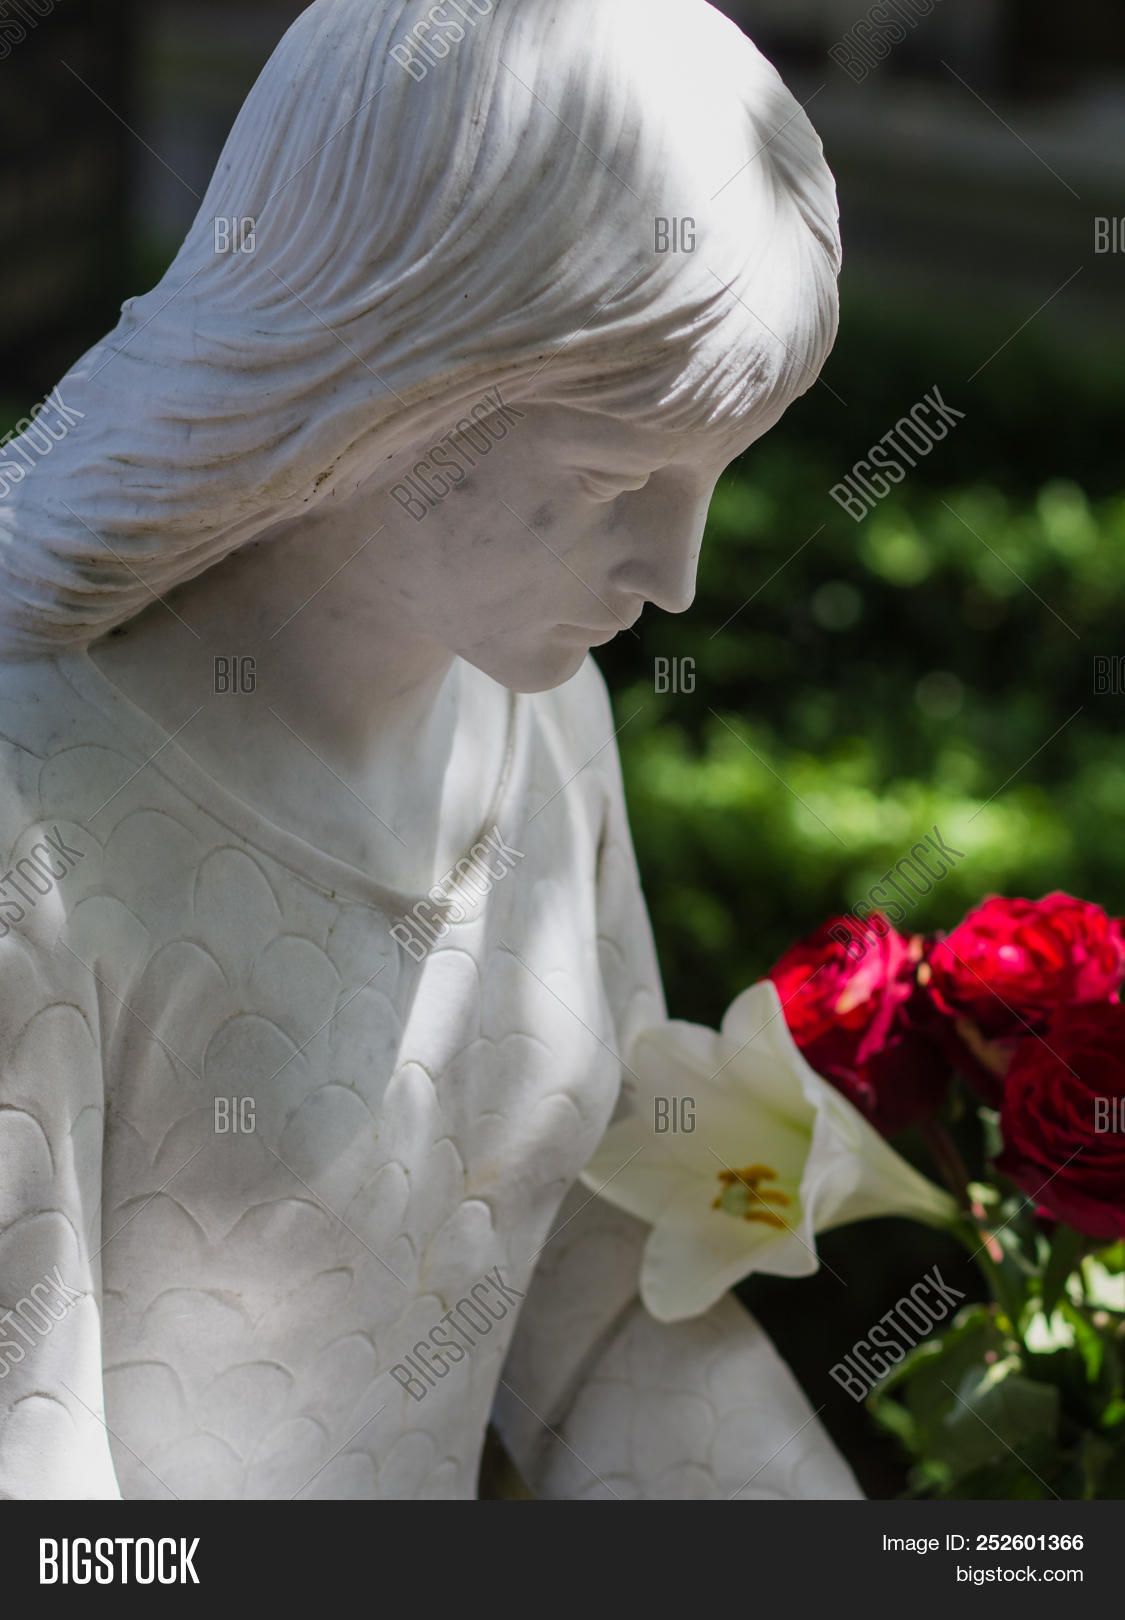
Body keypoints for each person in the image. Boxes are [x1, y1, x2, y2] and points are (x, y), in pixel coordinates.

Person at [0, 0, 857, 1498]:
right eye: (609, 473)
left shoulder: (541, 723)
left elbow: (610, 1305)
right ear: (391, 392)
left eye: (717, 473)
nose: (678, 573)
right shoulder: (38, 815)